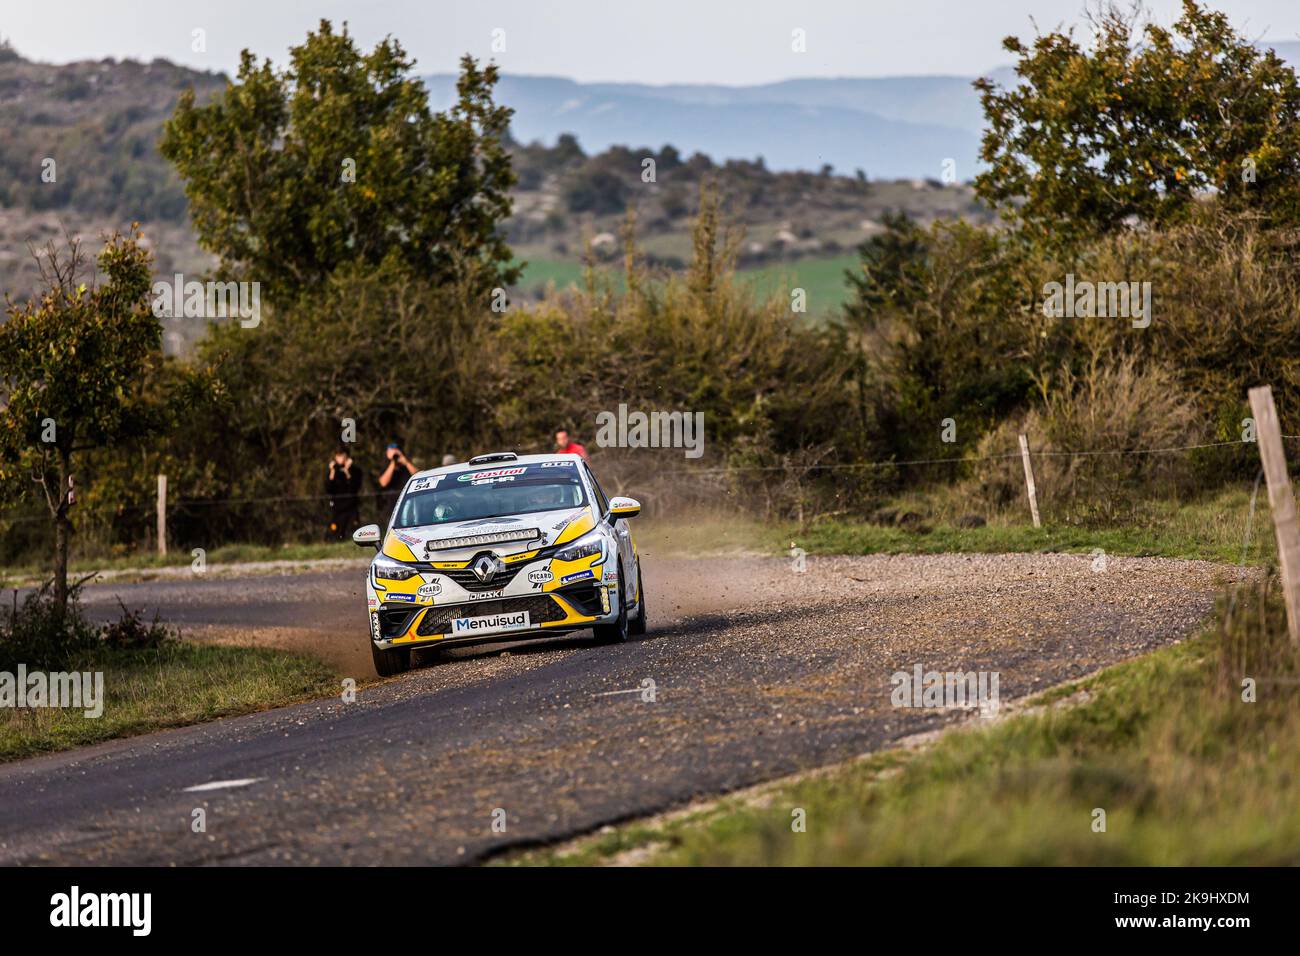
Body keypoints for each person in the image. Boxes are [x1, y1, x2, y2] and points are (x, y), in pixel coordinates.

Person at [325, 447, 362, 540]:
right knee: (336, 534)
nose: (340, 458)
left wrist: (347, 472)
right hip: (337, 509)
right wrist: (332, 472)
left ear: (347, 457)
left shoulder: (355, 471)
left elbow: (355, 487)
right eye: (338, 456)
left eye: (342, 455)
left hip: (351, 507)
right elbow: (328, 489)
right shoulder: (333, 472)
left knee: (353, 533)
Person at [377, 442, 415, 519]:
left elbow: (417, 475)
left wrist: (406, 462)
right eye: (392, 451)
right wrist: (393, 462)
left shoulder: (405, 466)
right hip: (391, 507)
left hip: (407, 503)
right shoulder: (385, 466)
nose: (395, 454)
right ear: (387, 453)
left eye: (396, 451)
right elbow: (383, 483)